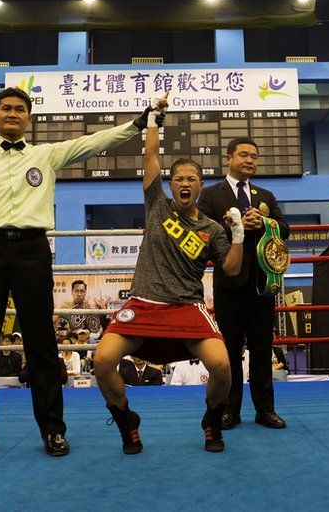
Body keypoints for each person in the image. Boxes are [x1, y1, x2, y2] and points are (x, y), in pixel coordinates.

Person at [0, 86, 152, 461]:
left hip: (32, 251)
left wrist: (135, 125)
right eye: (6, 108)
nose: (12, 113)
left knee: (42, 346)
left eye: (19, 109)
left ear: (29, 118)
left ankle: (53, 429)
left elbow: (91, 143)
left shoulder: (45, 155)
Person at [92, 94, 245, 455]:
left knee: (223, 366)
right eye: (178, 179)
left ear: (200, 185)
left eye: (191, 178)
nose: (184, 183)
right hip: (143, 304)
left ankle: (212, 419)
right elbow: (150, 157)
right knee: (102, 362)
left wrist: (238, 234)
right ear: (171, 184)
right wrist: (152, 120)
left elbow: (231, 269)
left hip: (186, 307)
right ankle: (126, 419)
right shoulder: (157, 205)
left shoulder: (213, 229)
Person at [198, 137, 290, 430]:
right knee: (229, 351)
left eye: (254, 156)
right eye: (244, 155)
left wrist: (264, 223)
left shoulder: (265, 195)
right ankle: (228, 410)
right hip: (229, 284)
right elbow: (202, 233)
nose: (250, 160)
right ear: (229, 158)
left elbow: (285, 229)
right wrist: (234, 226)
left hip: (263, 283)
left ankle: (266, 410)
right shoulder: (211, 195)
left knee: (262, 349)